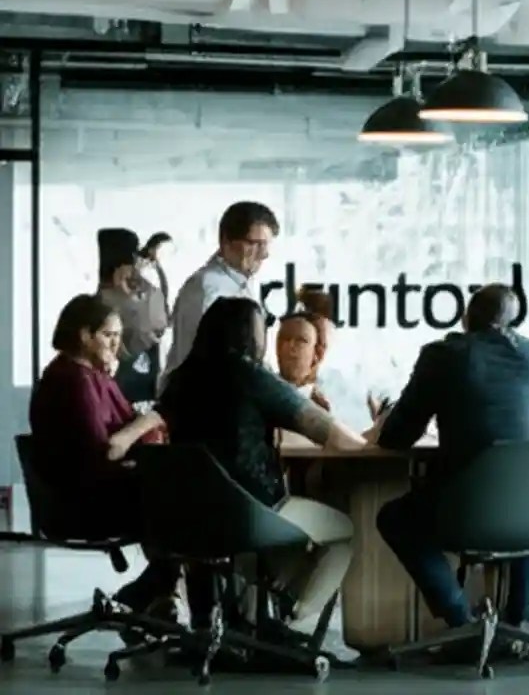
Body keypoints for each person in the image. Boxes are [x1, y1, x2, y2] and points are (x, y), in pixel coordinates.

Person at [374, 285, 529, 655]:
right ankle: (525, 623)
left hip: (468, 512)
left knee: (395, 517)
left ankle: (462, 624)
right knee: (523, 493)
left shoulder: (443, 355)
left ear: (466, 319)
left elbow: (397, 435)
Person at [155, 297, 367, 631]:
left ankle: (226, 621)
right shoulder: (252, 377)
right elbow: (330, 434)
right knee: (344, 532)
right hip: (248, 511)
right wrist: (370, 443)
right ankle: (289, 620)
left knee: (270, 543)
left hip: (186, 515)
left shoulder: (180, 379)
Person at [28, 294, 178, 619]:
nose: (116, 345)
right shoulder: (74, 381)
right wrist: (148, 423)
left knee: (174, 488)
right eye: (108, 336)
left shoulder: (92, 375)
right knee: (183, 496)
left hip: (95, 490)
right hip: (86, 502)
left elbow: (123, 426)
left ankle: (158, 591)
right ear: (85, 335)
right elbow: (106, 451)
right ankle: (161, 591)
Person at [159, 201, 278, 393]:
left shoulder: (245, 280)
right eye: (255, 244)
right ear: (226, 241)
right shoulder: (206, 289)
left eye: (266, 245)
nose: (264, 254)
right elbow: (197, 362)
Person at [95, 229, 168, 404]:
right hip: (123, 388)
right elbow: (158, 321)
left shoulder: (134, 293)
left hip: (142, 384)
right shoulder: (111, 301)